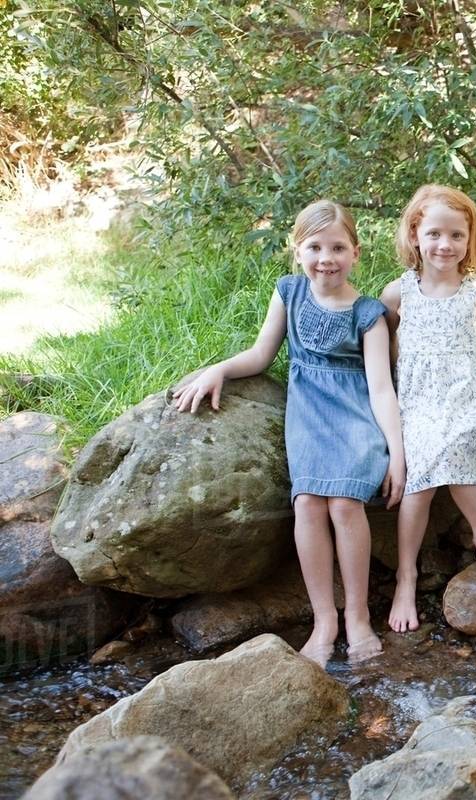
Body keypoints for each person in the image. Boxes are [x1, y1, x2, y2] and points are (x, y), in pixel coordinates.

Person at [173, 200, 404, 668]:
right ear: (297, 251)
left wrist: (397, 456)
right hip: (310, 419)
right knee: (308, 505)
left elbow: (381, 388)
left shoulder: (369, 314)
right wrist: (218, 370)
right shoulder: (289, 293)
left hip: (355, 419)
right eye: (315, 247)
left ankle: (358, 616)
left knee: (342, 503)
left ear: (356, 253)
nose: (327, 258)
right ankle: (325, 620)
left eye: (338, 247)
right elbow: (261, 353)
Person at [381, 184, 476, 633]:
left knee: (455, 452)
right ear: (415, 234)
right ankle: (406, 576)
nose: (445, 245)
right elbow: (382, 344)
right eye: (435, 233)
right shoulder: (398, 293)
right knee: (417, 484)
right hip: (416, 401)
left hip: (464, 397)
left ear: (468, 239)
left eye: (456, 235)